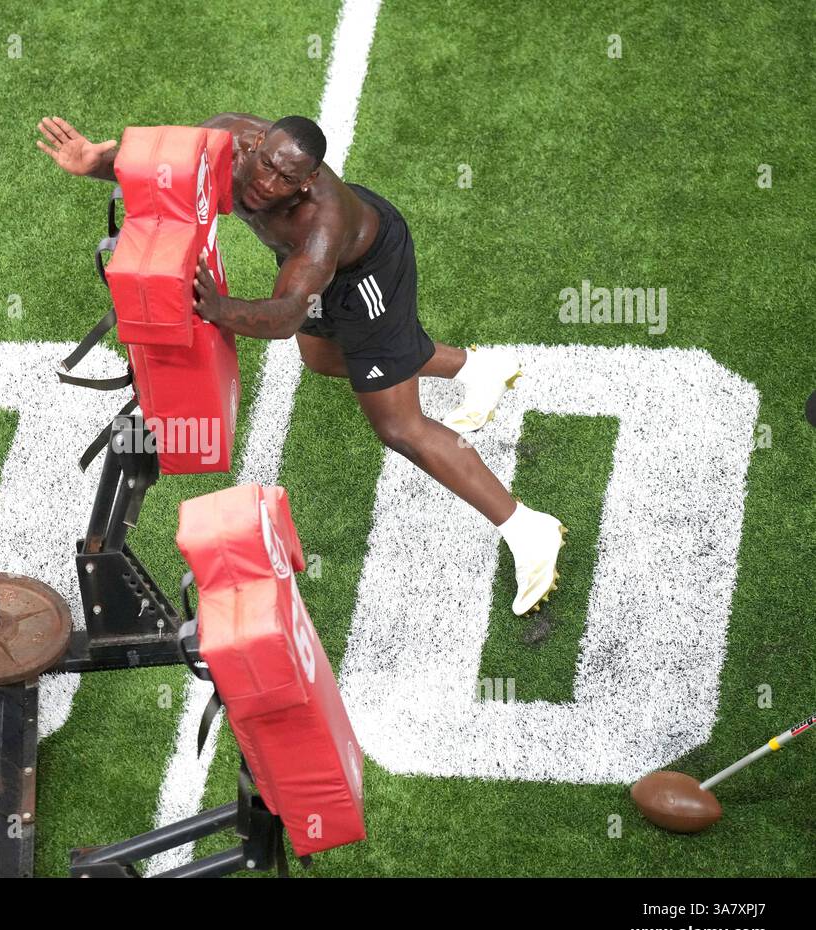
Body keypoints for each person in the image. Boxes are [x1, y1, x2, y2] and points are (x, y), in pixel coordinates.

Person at [37, 113, 565, 615]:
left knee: (398, 425)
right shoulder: (226, 140)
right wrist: (96, 163)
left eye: (284, 178)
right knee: (323, 358)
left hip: (366, 275)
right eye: (265, 164)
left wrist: (218, 309)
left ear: (307, 183)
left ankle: (527, 528)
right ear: (257, 143)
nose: (265, 183)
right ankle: (477, 369)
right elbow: (166, 170)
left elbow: (287, 315)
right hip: (309, 272)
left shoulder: (320, 222)